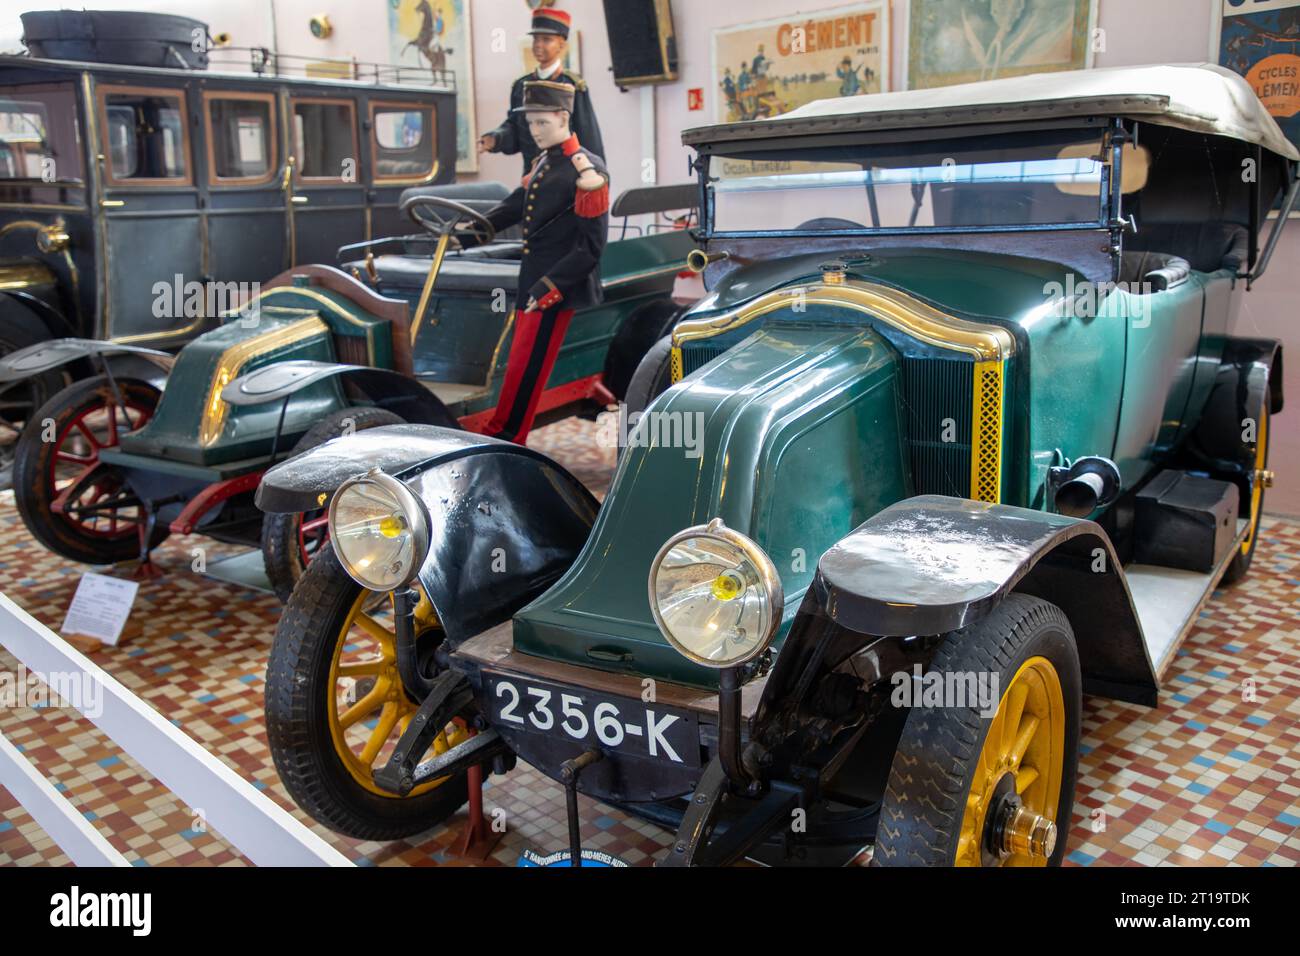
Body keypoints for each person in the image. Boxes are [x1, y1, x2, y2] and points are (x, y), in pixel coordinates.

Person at [465, 80, 609, 445]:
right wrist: (472, 230)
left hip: (556, 284)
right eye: (530, 124)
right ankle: (505, 431)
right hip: (534, 275)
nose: (534, 131)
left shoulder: (586, 170)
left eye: (541, 123)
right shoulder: (545, 160)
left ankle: (508, 435)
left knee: (528, 365)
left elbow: (591, 247)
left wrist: (550, 287)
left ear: (563, 118)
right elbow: (517, 203)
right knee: (520, 361)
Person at [477, 8, 604, 176]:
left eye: (546, 40)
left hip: (565, 177)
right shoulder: (521, 86)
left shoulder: (573, 85)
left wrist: (596, 176)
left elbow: (588, 136)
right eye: (536, 39)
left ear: (562, 44)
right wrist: (496, 139)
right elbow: (516, 128)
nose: (538, 45)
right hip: (531, 176)